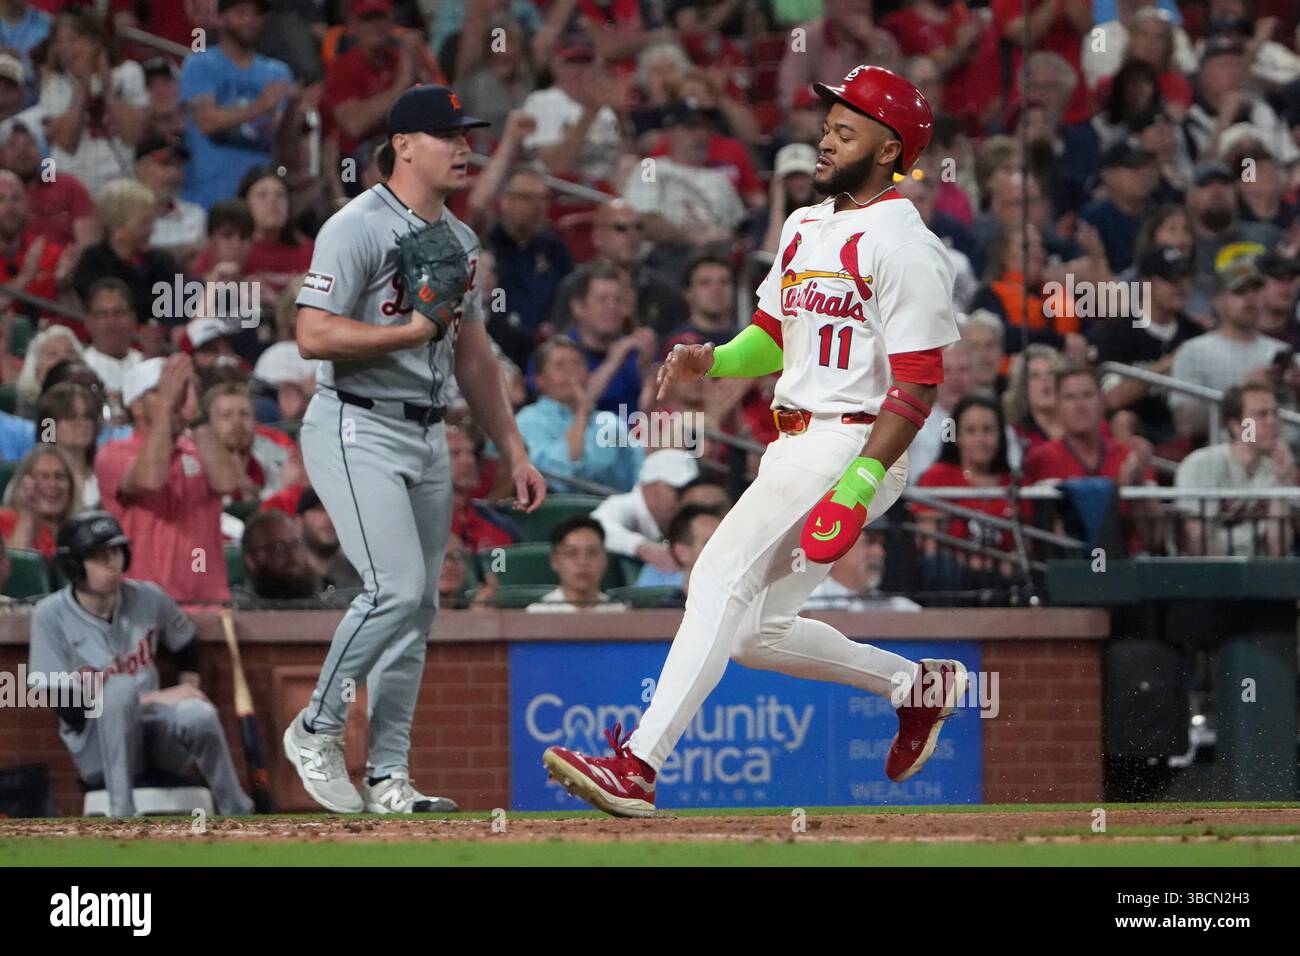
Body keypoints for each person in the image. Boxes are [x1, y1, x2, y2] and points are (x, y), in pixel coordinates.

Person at [544, 67, 966, 817]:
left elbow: (917, 384)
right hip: (797, 438)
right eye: (828, 124)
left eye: (846, 129)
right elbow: (773, 336)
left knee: (713, 576)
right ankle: (914, 686)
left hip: (852, 441)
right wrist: (716, 358)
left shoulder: (906, 245)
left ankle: (639, 765)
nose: (825, 139)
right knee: (753, 634)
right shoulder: (806, 224)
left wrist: (861, 481)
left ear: (889, 146)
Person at [284, 85, 545, 816]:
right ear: (402, 144)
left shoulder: (460, 241)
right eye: (446, 135)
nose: (464, 148)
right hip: (354, 421)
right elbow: (311, 335)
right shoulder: (355, 224)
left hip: (428, 430)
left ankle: (389, 777)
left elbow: (473, 355)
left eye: (466, 135)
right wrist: (408, 334)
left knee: (418, 608)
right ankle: (316, 727)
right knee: (393, 590)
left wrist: (514, 448)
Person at [27, 510, 254, 818]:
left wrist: (188, 689)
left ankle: (238, 813)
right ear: (73, 564)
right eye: (98, 555)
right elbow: (68, 708)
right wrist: (154, 698)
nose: (112, 563)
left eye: (116, 551)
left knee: (198, 713)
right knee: (117, 690)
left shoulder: (148, 597)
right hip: (97, 746)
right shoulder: (49, 615)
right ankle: (122, 817)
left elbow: (186, 644)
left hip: (155, 737)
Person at [94, 355, 242, 604]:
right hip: (143, 606)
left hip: (207, 601)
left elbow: (228, 483)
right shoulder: (113, 453)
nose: (176, 398)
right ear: (136, 405)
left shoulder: (199, 448)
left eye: (183, 390)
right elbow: (151, 479)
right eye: (161, 391)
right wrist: (165, 406)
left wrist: (196, 417)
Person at [177, 0, 296, 209]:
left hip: (260, 198)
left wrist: (294, 110)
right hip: (207, 197)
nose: (250, 20)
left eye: (256, 14)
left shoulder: (278, 72)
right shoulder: (200, 64)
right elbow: (206, 121)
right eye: (241, 13)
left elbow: (283, 144)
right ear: (222, 17)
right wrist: (259, 107)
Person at [1169, 259, 1290, 440]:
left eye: (1255, 290)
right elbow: (1186, 423)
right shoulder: (1194, 351)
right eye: (1239, 292)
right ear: (1218, 301)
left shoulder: (1281, 351)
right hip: (1227, 455)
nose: (1250, 299)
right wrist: (1243, 392)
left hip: (1286, 457)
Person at [1176, 382, 1296, 556]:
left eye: (1275, 413)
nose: (1272, 421)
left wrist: (1283, 482)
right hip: (1212, 573)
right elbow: (1196, 538)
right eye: (1262, 414)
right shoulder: (1201, 464)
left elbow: (1278, 550)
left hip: (1259, 573)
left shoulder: (1278, 469)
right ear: (1236, 426)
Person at [37, 10, 149, 194]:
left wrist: (107, 89)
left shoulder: (129, 72)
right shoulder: (54, 84)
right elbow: (66, 143)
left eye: (74, 39)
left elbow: (134, 135)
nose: (65, 48)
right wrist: (82, 88)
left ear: (96, 42)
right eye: (59, 42)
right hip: (72, 187)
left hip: (120, 184)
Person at [516, 336, 644, 493]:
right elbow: (557, 475)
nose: (571, 371)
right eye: (559, 365)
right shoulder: (528, 420)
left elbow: (640, 473)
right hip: (554, 508)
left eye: (577, 363)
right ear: (539, 380)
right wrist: (581, 414)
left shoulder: (610, 423)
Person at [71, 178, 178, 326]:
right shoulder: (94, 263)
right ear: (118, 227)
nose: (151, 230)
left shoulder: (162, 262)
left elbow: (175, 309)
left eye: (151, 222)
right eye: (144, 223)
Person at [591, 447, 699, 572]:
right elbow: (597, 526)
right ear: (649, 486)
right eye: (678, 491)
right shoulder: (626, 504)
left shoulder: (690, 514)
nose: (685, 498)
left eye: (689, 490)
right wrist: (642, 547)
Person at [525, 516, 628, 614]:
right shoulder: (537, 614)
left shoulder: (620, 614)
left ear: (605, 560)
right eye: (571, 553)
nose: (583, 562)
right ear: (554, 560)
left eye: (592, 552)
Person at [804, 529, 922, 611]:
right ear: (837, 547)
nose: (879, 553)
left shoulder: (899, 608)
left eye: (882, 544)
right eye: (869, 542)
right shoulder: (807, 605)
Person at [134, 133, 205, 265]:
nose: (173, 173)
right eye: (165, 164)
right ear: (139, 169)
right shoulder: (124, 215)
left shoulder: (196, 215)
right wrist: (183, 251)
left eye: (178, 166)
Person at [446, 424, 517, 552]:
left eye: (470, 453)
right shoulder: (418, 526)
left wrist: (495, 571)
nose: (468, 461)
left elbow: (501, 568)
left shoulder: (499, 525)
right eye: (455, 453)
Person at [0, 445, 78, 558]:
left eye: (59, 476)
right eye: (44, 477)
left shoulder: (79, 530)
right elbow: (15, 571)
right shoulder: (3, 521)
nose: (52, 484)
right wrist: (27, 514)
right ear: (24, 482)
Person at [35, 382, 101, 507]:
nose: (82, 424)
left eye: (87, 417)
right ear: (49, 425)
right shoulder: (31, 478)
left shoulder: (104, 474)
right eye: (71, 417)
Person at [235, 508, 321, 602]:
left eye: (295, 544)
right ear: (250, 560)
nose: (291, 553)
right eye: (278, 547)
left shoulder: (328, 606)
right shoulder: (237, 607)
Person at [632, 502, 721, 592]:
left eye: (725, 542)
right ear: (683, 553)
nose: (723, 550)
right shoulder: (655, 582)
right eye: (709, 543)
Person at [79, 277, 142, 403]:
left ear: (132, 318)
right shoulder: (80, 368)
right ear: (88, 321)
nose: (111, 322)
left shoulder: (145, 364)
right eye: (102, 314)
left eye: (119, 312)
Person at [294, 487, 362, 593]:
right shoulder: (286, 576)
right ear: (299, 521)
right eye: (319, 509)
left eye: (336, 510)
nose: (329, 517)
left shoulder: (365, 574)